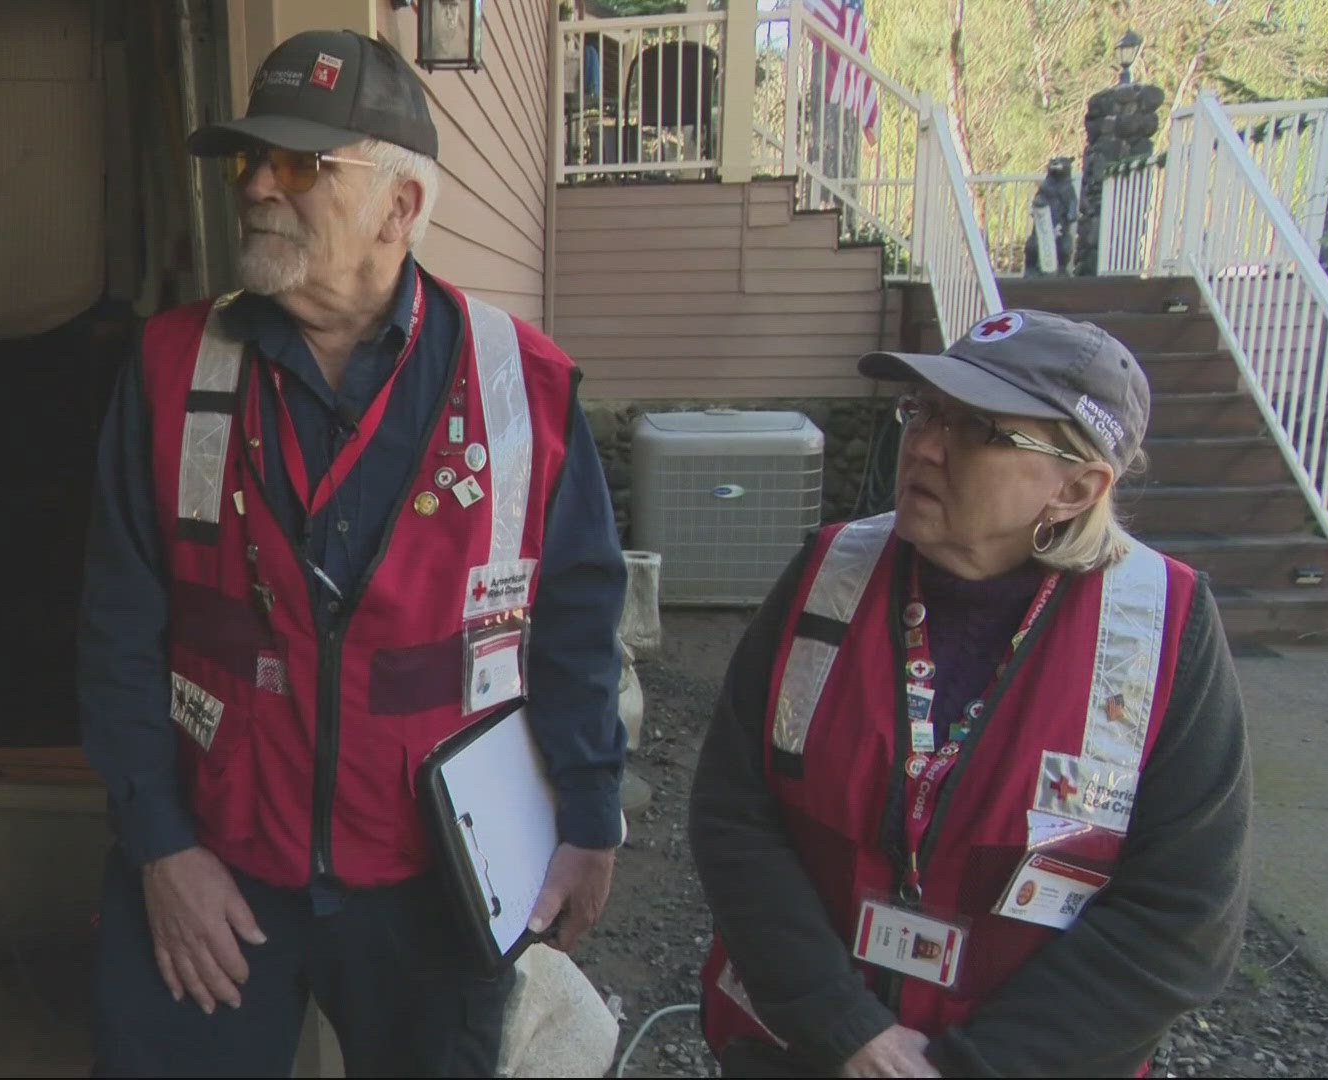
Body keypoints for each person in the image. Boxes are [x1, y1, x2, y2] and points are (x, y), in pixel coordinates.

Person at [78, 30, 627, 1078]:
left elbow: (578, 621)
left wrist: (591, 815)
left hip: (435, 890)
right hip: (218, 872)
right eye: (249, 159)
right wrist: (157, 844)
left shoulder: (525, 387)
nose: (255, 187)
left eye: (300, 164)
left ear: (401, 207)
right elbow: (117, 624)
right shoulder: (168, 366)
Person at [690, 309, 1251, 1076]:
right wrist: (845, 1029)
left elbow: (1182, 915)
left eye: (980, 430)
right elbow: (734, 812)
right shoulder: (829, 575)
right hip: (798, 1047)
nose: (922, 445)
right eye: (924, 412)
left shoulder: (1162, 629)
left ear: (1077, 487)